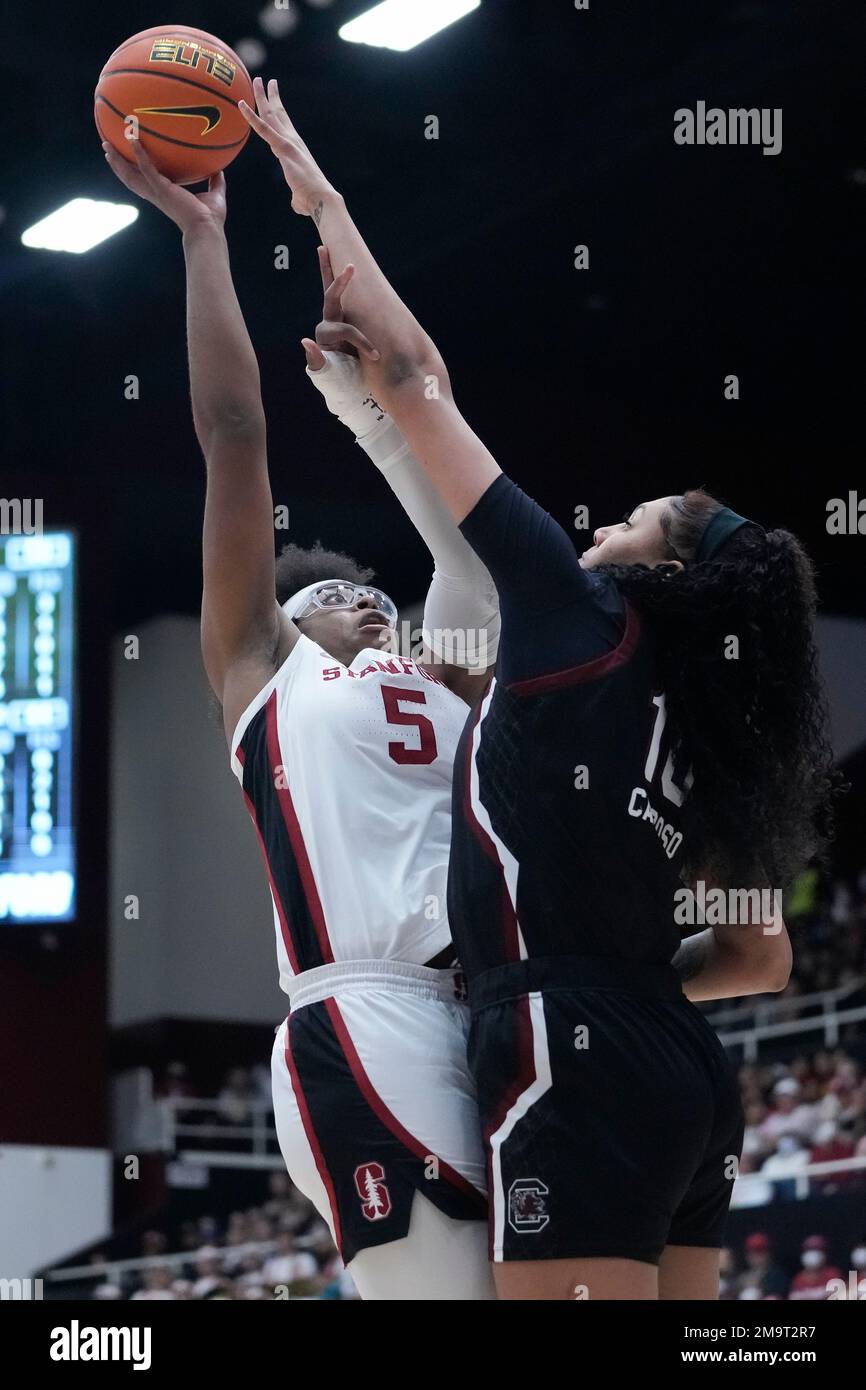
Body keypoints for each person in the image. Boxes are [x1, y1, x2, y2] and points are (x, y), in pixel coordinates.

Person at [239, 76, 837, 1299]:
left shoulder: (579, 619)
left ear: (657, 572)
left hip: (574, 1045)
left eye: (629, 519)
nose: (600, 525)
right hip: (687, 1073)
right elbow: (758, 958)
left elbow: (416, 373)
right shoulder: (719, 717)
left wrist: (319, 194)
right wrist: (619, 966)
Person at [101, 136, 500, 1300]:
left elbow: (467, 541)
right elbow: (233, 436)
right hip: (363, 1013)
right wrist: (205, 239)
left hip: (495, 1013)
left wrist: (384, 416)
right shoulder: (263, 676)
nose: (370, 613)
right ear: (284, 623)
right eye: (338, 602)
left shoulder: (450, 671)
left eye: (380, 602)